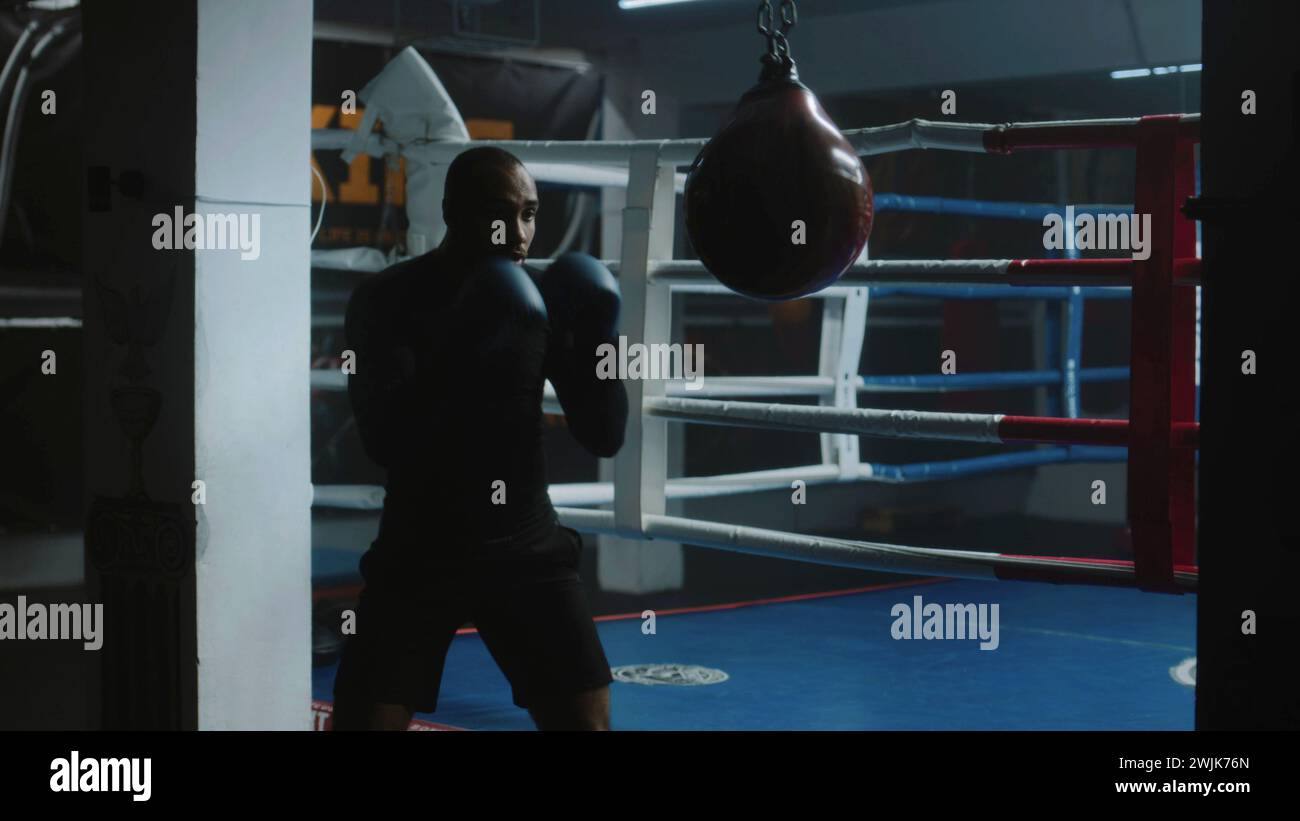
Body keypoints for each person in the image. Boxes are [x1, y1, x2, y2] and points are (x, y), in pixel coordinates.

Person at [331, 146, 627, 731]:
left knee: (587, 725)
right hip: (420, 546)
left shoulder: (542, 295)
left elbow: (604, 436)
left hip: (525, 542)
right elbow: (383, 443)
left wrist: (600, 343)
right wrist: (468, 356)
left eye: (529, 213)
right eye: (500, 213)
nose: (517, 233)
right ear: (452, 213)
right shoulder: (387, 300)